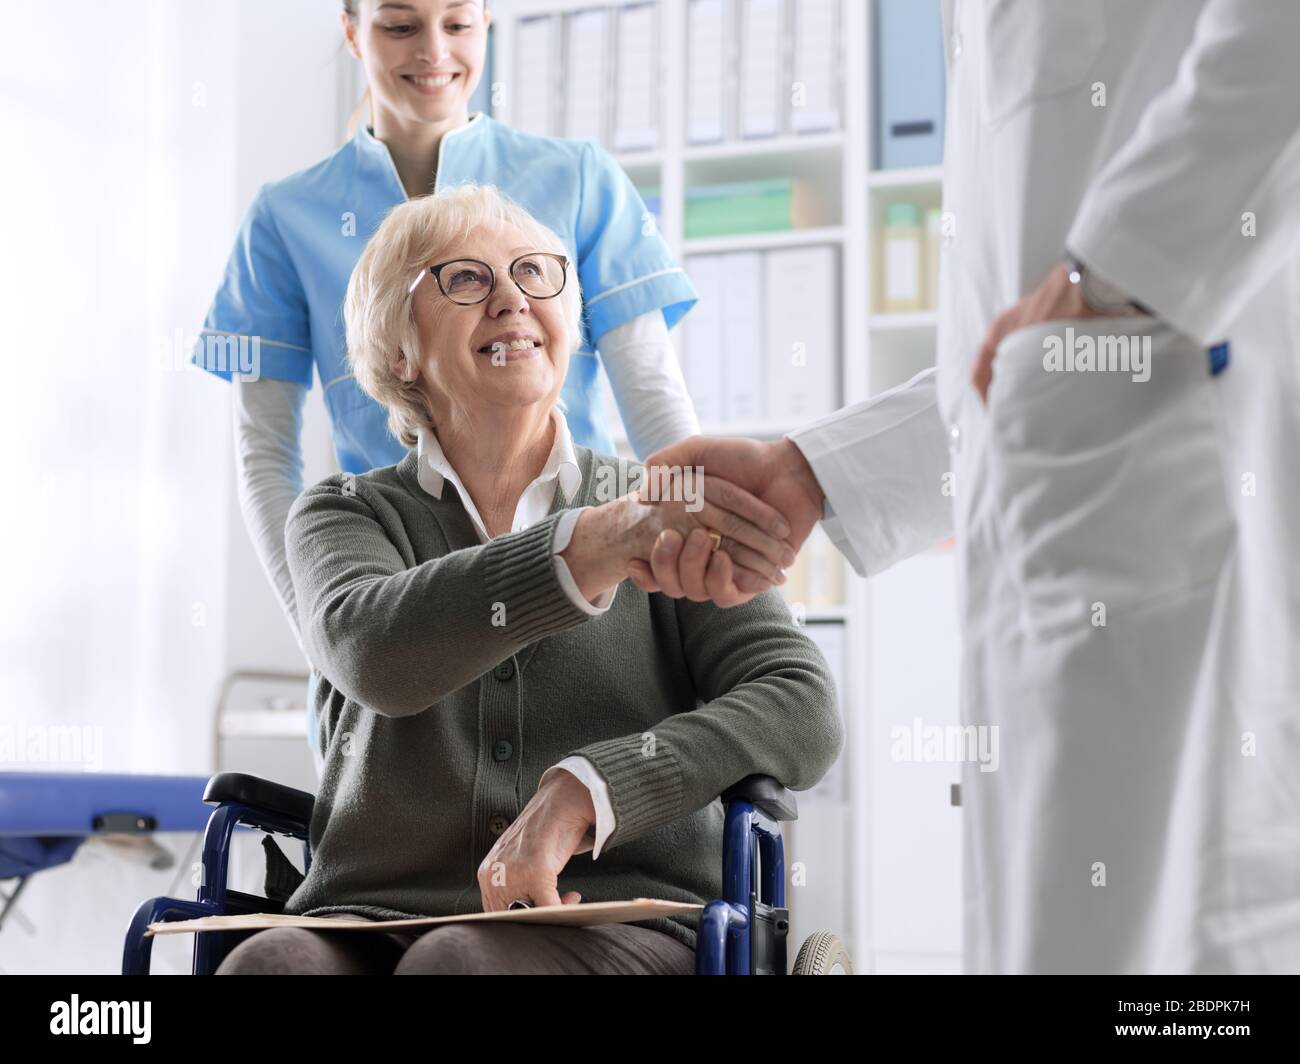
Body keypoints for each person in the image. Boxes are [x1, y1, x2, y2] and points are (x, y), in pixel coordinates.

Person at [635, 0, 1300, 974]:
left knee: (1191, 938)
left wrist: (1115, 275)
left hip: (1179, 479)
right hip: (1080, 498)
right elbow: (1004, 353)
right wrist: (809, 470)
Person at [215, 183, 839, 974]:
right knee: (268, 967)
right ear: (399, 346)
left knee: (459, 964)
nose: (511, 297)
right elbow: (372, 650)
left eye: (536, 274)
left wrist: (593, 789)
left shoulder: (663, 501)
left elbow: (801, 704)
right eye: (466, 280)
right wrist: (587, 547)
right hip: (367, 917)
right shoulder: (343, 513)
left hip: (615, 918)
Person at [190, 0, 702, 771]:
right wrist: (325, 634)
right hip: (395, 587)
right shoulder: (285, 217)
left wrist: (698, 572)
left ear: (487, 23)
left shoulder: (578, 178)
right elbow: (265, 454)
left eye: (458, 23)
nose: (434, 51)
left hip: (584, 567)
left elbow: (655, 399)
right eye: (400, 25)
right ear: (352, 29)